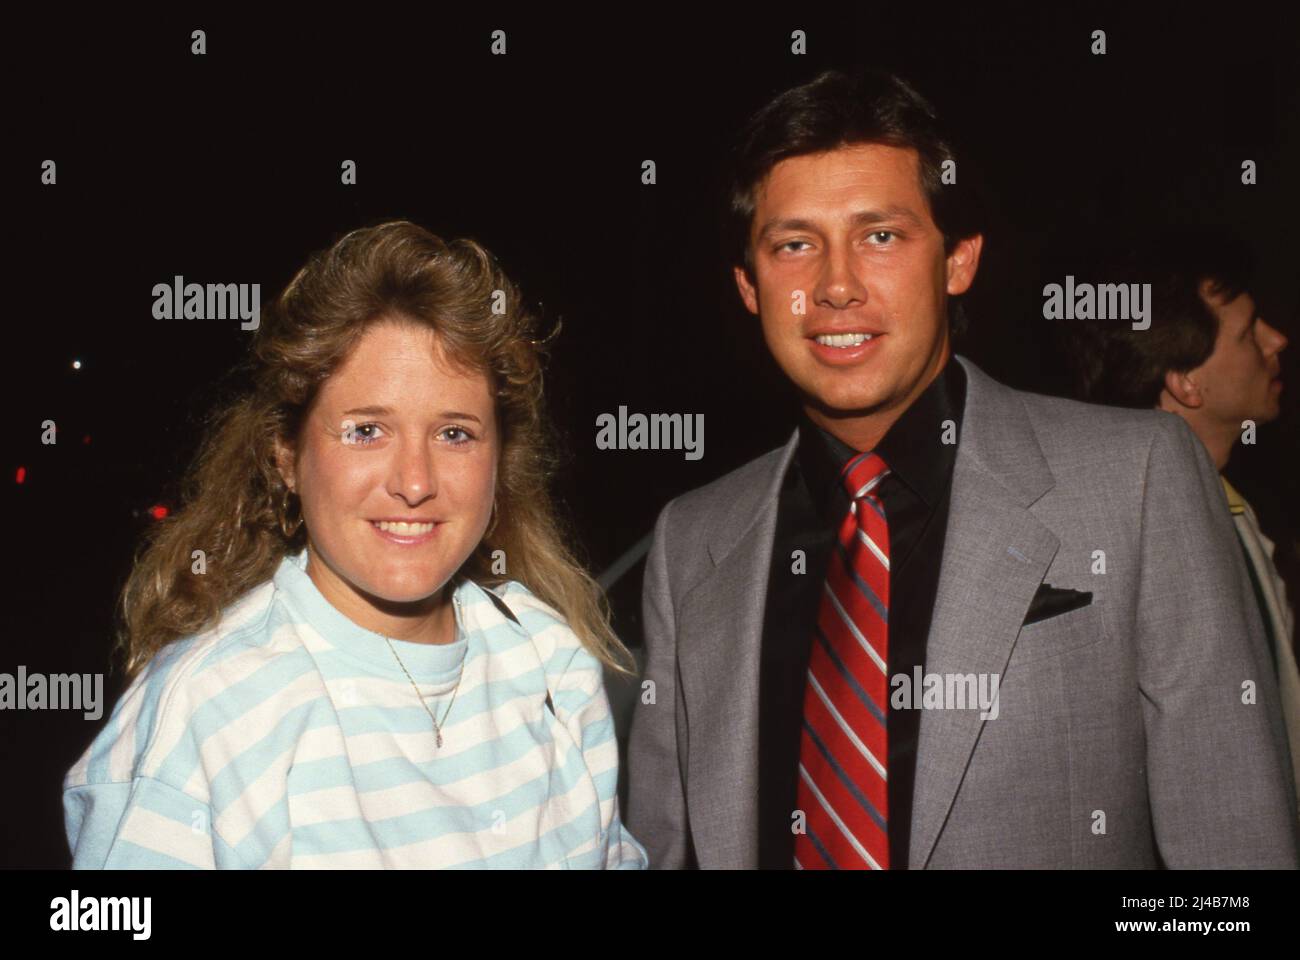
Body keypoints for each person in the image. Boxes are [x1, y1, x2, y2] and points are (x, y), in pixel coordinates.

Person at [625, 69, 1299, 868]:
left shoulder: (1138, 480)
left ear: (959, 260)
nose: (835, 286)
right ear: (749, 285)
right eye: (795, 245)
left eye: (881, 236)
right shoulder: (690, 543)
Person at [63, 221, 648, 869]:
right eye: (367, 430)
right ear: (286, 454)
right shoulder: (207, 713)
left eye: (455, 434)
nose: (415, 482)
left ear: (499, 460)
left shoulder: (550, 666)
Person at [1061, 228, 1300, 813]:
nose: (1277, 339)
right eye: (1247, 334)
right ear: (1185, 382)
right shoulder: (1120, 544)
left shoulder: (1232, 508)